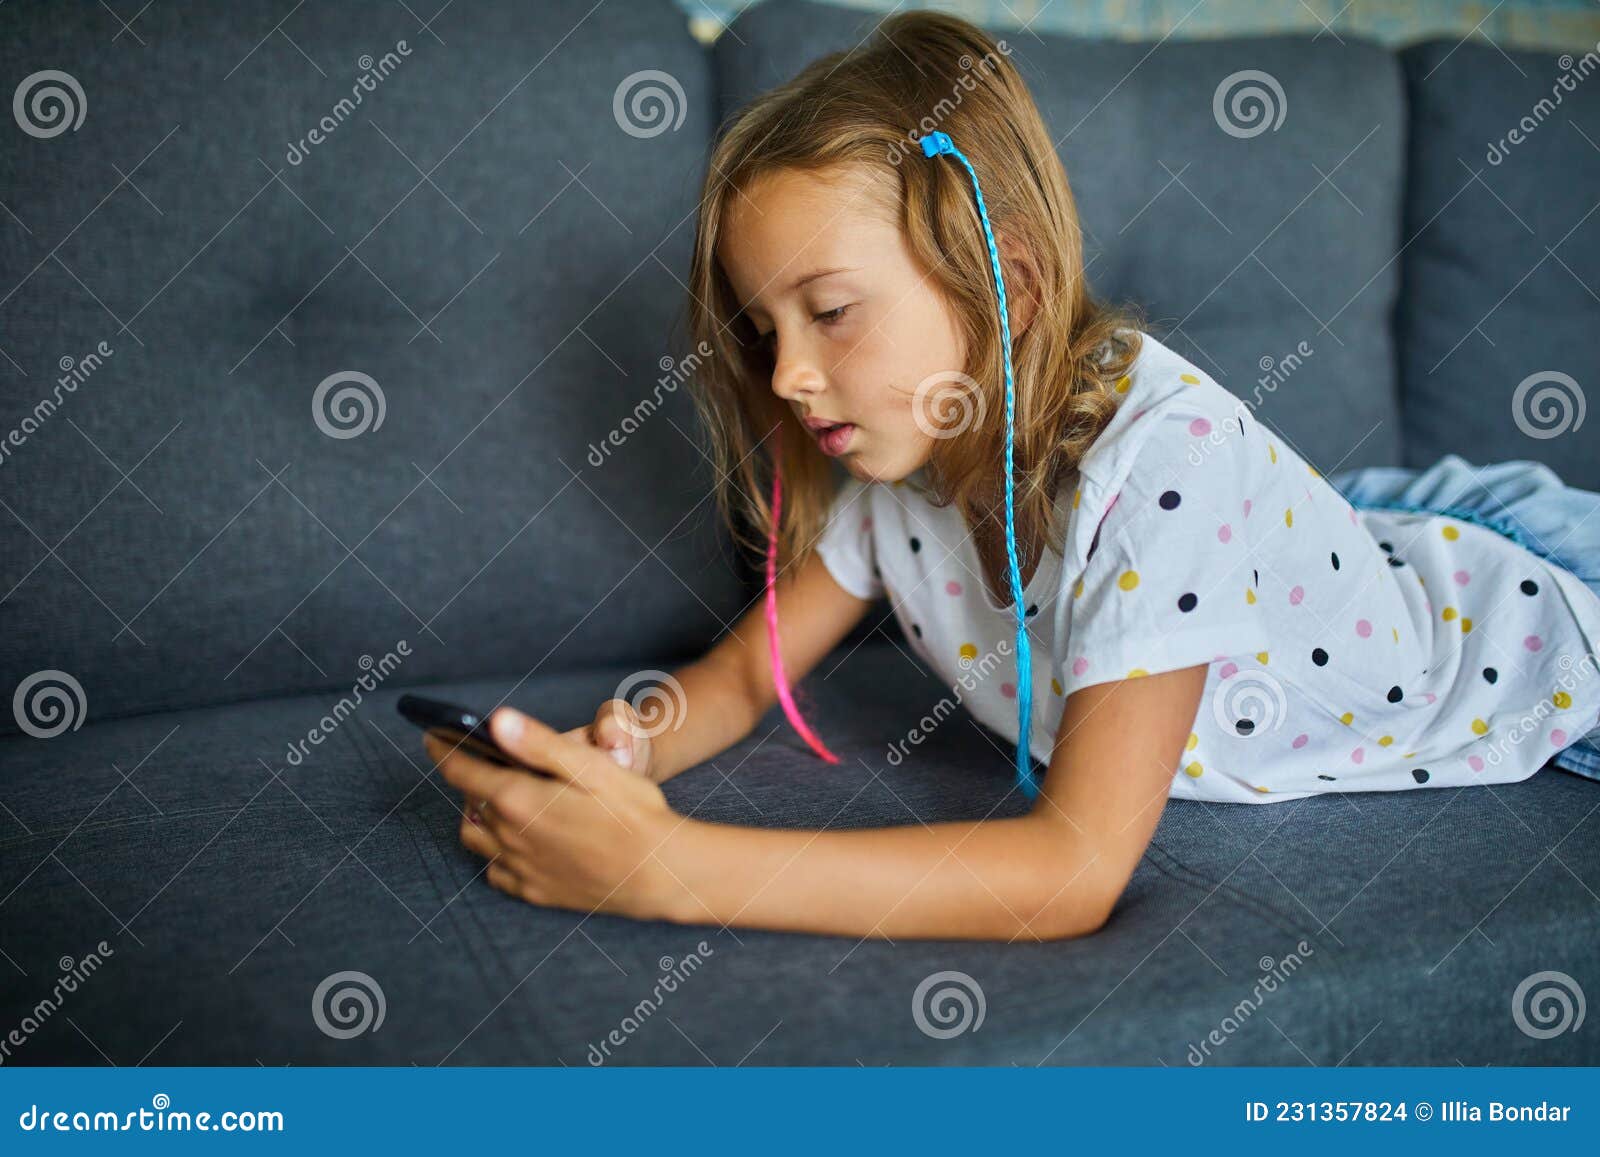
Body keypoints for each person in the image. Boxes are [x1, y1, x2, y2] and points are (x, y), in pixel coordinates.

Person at [423, 11, 1600, 941]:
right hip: (1357, 536)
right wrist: (611, 752)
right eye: (762, 327)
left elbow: (1072, 871)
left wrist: (666, 871)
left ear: (1010, 291)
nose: (783, 375)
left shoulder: (1165, 465)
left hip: (1529, 616)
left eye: (829, 313)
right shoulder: (890, 471)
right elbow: (735, 683)